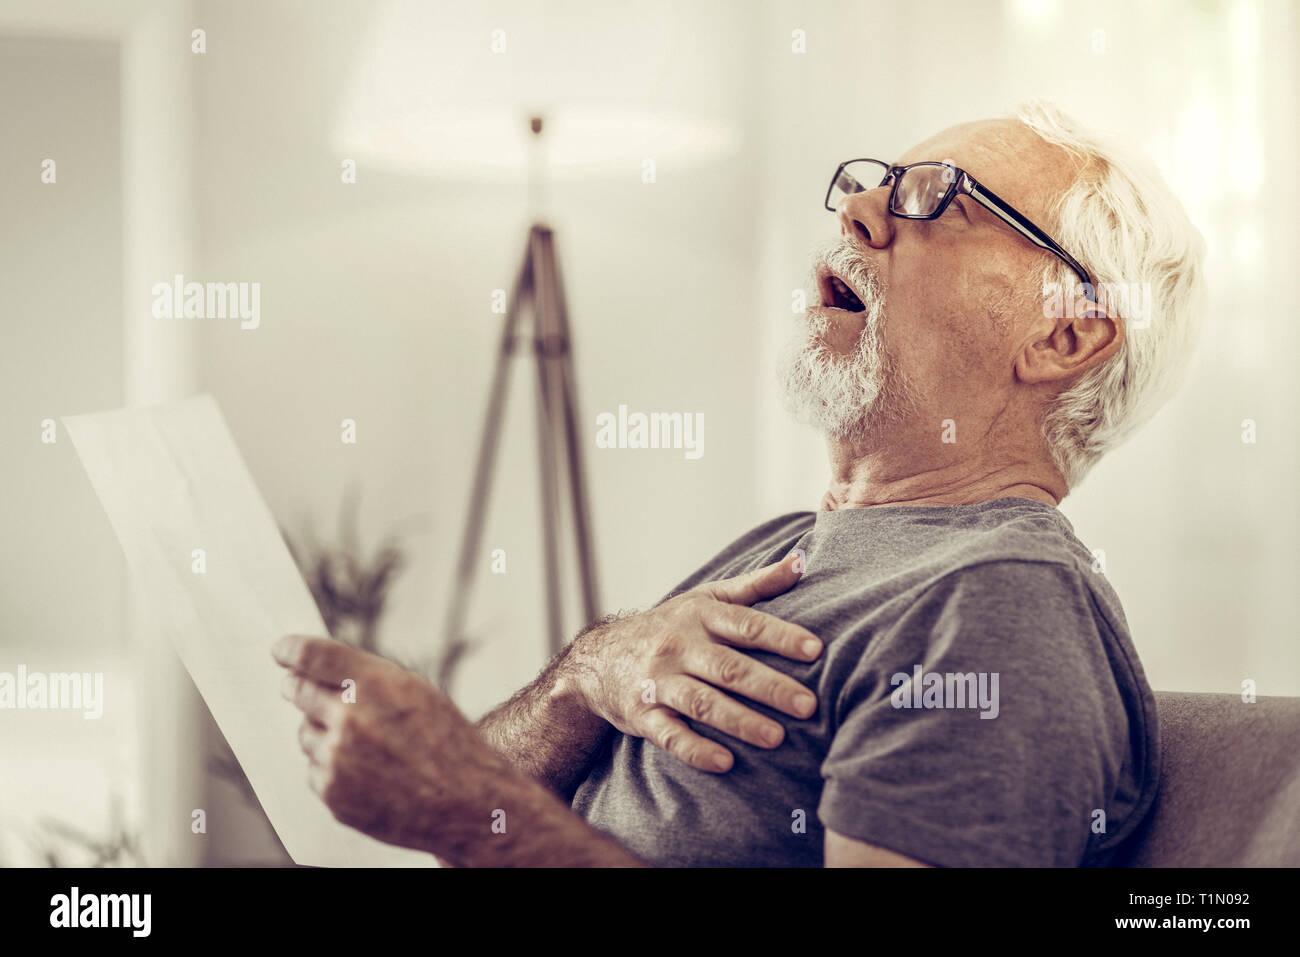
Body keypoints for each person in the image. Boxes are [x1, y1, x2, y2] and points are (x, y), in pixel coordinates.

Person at [275, 100, 1205, 867]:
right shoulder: (784, 547)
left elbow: (467, 818)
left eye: (935, 200)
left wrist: (464, 806)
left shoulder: (997, 603)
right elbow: (475, 808)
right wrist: (581, 677)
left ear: (1065, 334)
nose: (860, 213)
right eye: (871, 184)